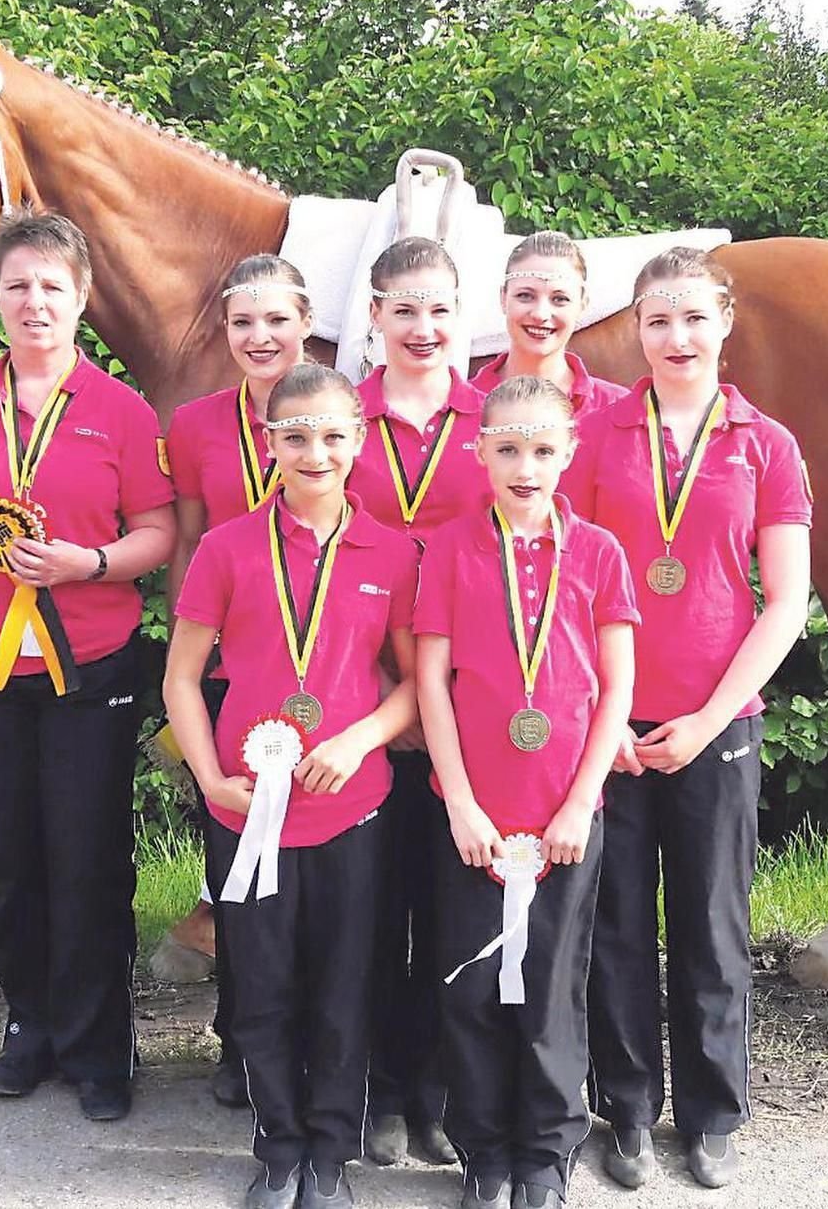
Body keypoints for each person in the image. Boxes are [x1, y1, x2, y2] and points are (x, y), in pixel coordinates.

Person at [0, 214, 176, 1121]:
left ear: (82, 297)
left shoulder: (123, 412)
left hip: (90, 665)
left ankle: (102, 1046)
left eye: (52, 286)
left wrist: (87, 565)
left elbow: (159, 534)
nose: (35, 302)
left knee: (89, 859)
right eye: (18, 285)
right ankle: (30, 1027)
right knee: (8, 859)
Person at [563, 247, 813, 1190]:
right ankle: (624, 1111)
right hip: (613, 724)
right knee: (616, 924)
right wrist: (604, 717)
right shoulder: (594, 436)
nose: (675, 337)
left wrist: (710, 720)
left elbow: (784, 602)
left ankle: (711, 1115)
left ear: (725, 324)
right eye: (657, 320)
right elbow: (574, 585)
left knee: (711, 926)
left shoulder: (765, 443)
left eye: (693, 318)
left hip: (720, 721)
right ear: (635, 326)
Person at [165, 363, 420, 1209]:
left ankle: (330, 1151)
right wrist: (210, 780)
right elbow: (182, 678)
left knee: (346, 985)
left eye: (334, 435)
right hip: (248, 810)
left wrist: (359, 737)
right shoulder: (226, 548)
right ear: (269, 444)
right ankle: (277, 1148)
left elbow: (418, 685)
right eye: (297, 435)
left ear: (360, 441)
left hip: (353, 812)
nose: (316, 451)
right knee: (264, 982)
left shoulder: (393, 551)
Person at [416, 377, 639, 1209]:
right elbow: (432, 684)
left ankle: (546, 1154)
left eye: (543, 450)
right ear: (478, 451)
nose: (524, 465)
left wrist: (581, 801)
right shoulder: (448, 548)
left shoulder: (601, 554)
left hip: (564, 816)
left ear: (569, 454)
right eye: (507, 448)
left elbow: (616, 690)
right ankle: (484, 1150)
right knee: (471, 984)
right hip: (475, 813)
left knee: (551, 987)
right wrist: (460, 803)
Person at [346, 237, 492, 1168]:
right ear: (373, 317)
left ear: (461, 315)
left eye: (439, 309)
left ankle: (437, 1092)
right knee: (369, 906)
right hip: (355, 697)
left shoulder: (494, 420)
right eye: (404, 309)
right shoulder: (337, 419)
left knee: (449, 908)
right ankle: (376, 1092)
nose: (423, 327)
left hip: (469, 700)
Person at [162, 253, 317, 1108]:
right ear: (225, 332)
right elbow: (187, 543)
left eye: (275, 321)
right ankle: (242, 1043)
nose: (260, 338)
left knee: (317, 869)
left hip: (322, 676)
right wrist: (191, 659)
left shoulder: (337, 416)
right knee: (235, 866)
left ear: (306, 324)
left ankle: (327, 1043)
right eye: (242, 323)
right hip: (230, 676)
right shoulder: (193, 426)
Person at [470, 231, 629, 424]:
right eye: (525, 296)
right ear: (503, 298)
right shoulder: (459, 407)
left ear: (582, 304)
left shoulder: (620, 410)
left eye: (559, 299)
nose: (540, 314)